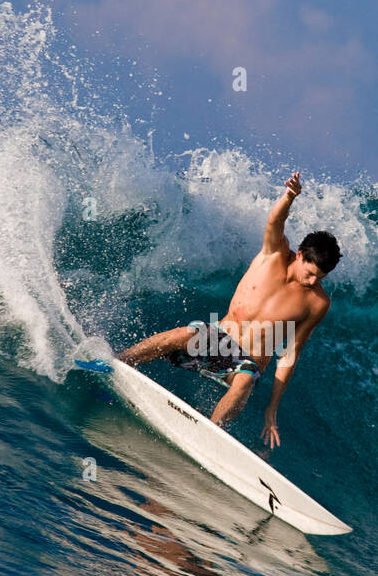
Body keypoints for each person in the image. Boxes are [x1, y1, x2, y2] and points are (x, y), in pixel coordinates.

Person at [117, 171, 340, 448]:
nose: (312, 282)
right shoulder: (273, 255)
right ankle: (118, 363)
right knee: (187, 333)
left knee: (245, 379)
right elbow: (275, 220)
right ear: (299, 255)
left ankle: (208, 436)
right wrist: (289, 197)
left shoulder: (318, 302)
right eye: (310, 274)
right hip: (219, 339)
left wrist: (272, 410)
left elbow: (290, 353)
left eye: (320, 278)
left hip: (248, 363)